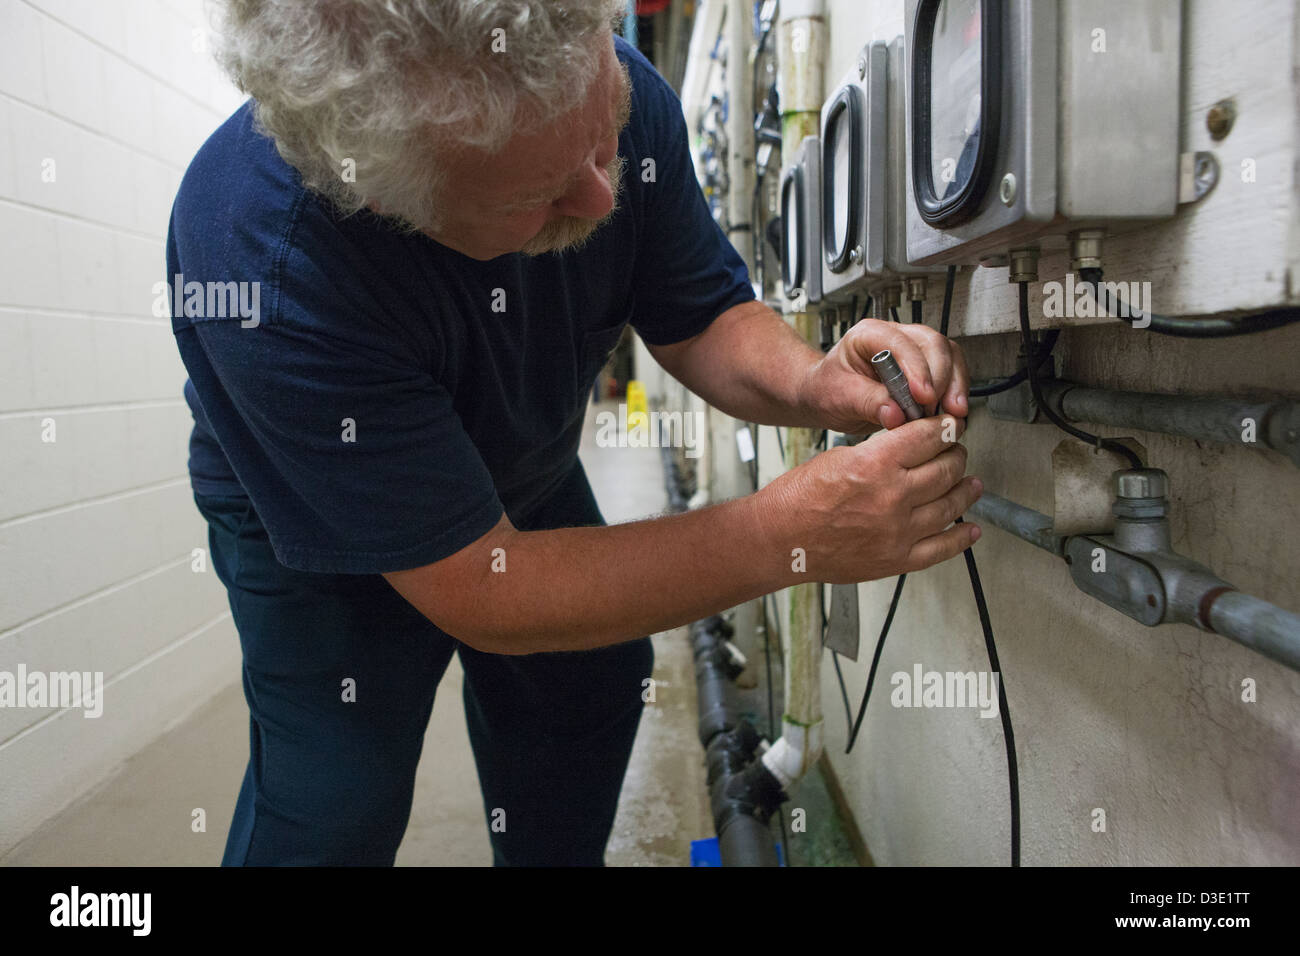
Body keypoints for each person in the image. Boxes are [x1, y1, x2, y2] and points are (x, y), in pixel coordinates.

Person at [167, 0, 982, 866]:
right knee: (332, 797)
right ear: (385, 194)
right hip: (328, 519)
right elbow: (487, 589)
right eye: (540, 193)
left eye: (603, 142)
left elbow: (698, 311)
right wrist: (788, 535)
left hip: (525, 455)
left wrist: (814, 381)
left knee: (589, 686)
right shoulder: (267, 262)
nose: (602, 193)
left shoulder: (612, 87)